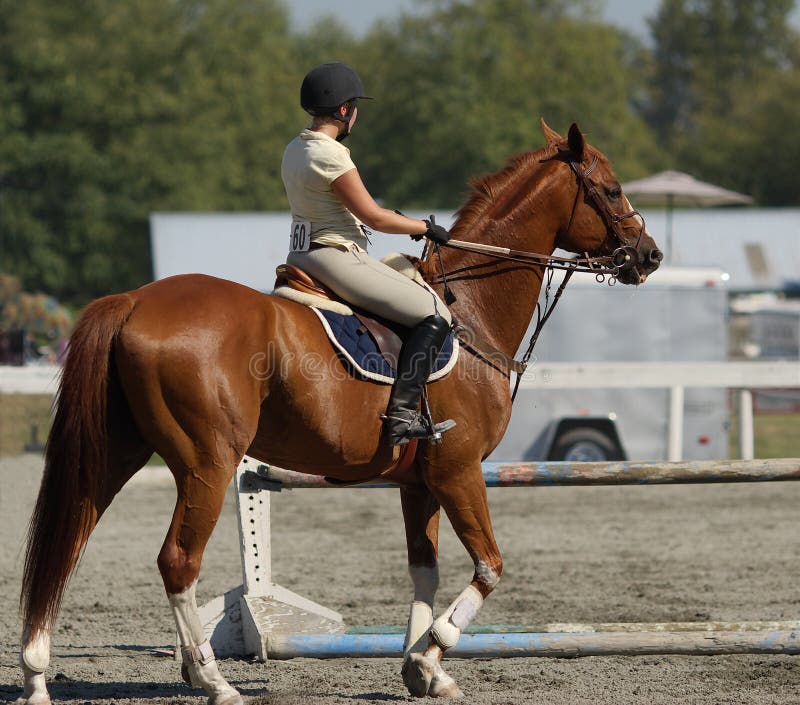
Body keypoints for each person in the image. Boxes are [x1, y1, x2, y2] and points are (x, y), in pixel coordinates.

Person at [281, 62, 455, 446]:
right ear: (344, 110)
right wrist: (425, 228)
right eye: (355, 106)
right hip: (336, 257)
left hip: (301, 257)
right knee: (435, 313)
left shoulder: (295, 148)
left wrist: (401, 221)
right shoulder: (331, 155)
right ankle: (402, 416)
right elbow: (374, 218)